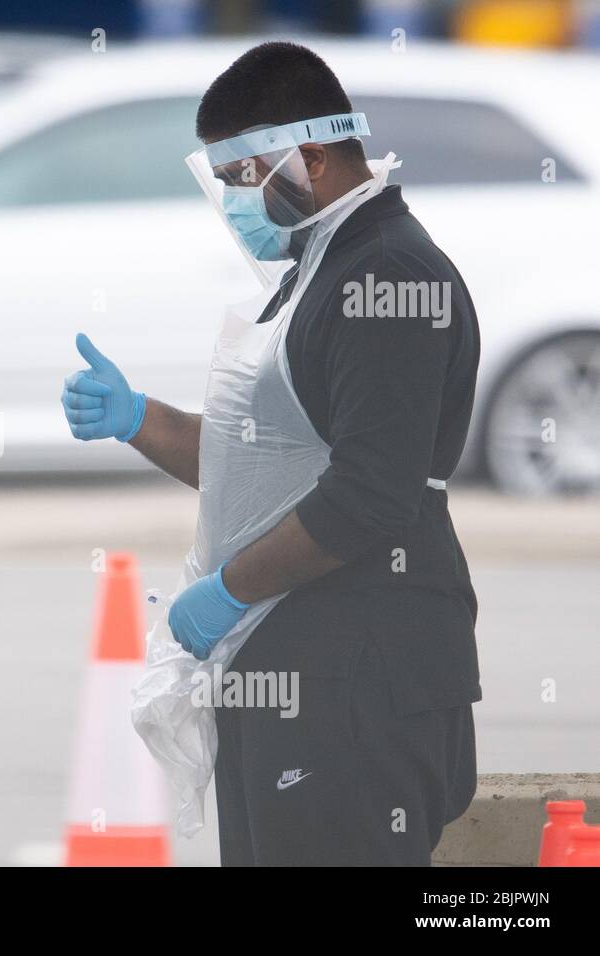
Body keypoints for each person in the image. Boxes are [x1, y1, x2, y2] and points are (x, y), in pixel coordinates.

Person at [62, 41, 481, 865]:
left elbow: (368, 494)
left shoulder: (386, 276)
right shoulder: (318, 267)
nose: (229, 204)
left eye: (240, 179)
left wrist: (225, 591)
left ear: (312, 158)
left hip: (363, 674)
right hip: (296, 663)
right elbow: (260, 466)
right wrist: (140, 417)